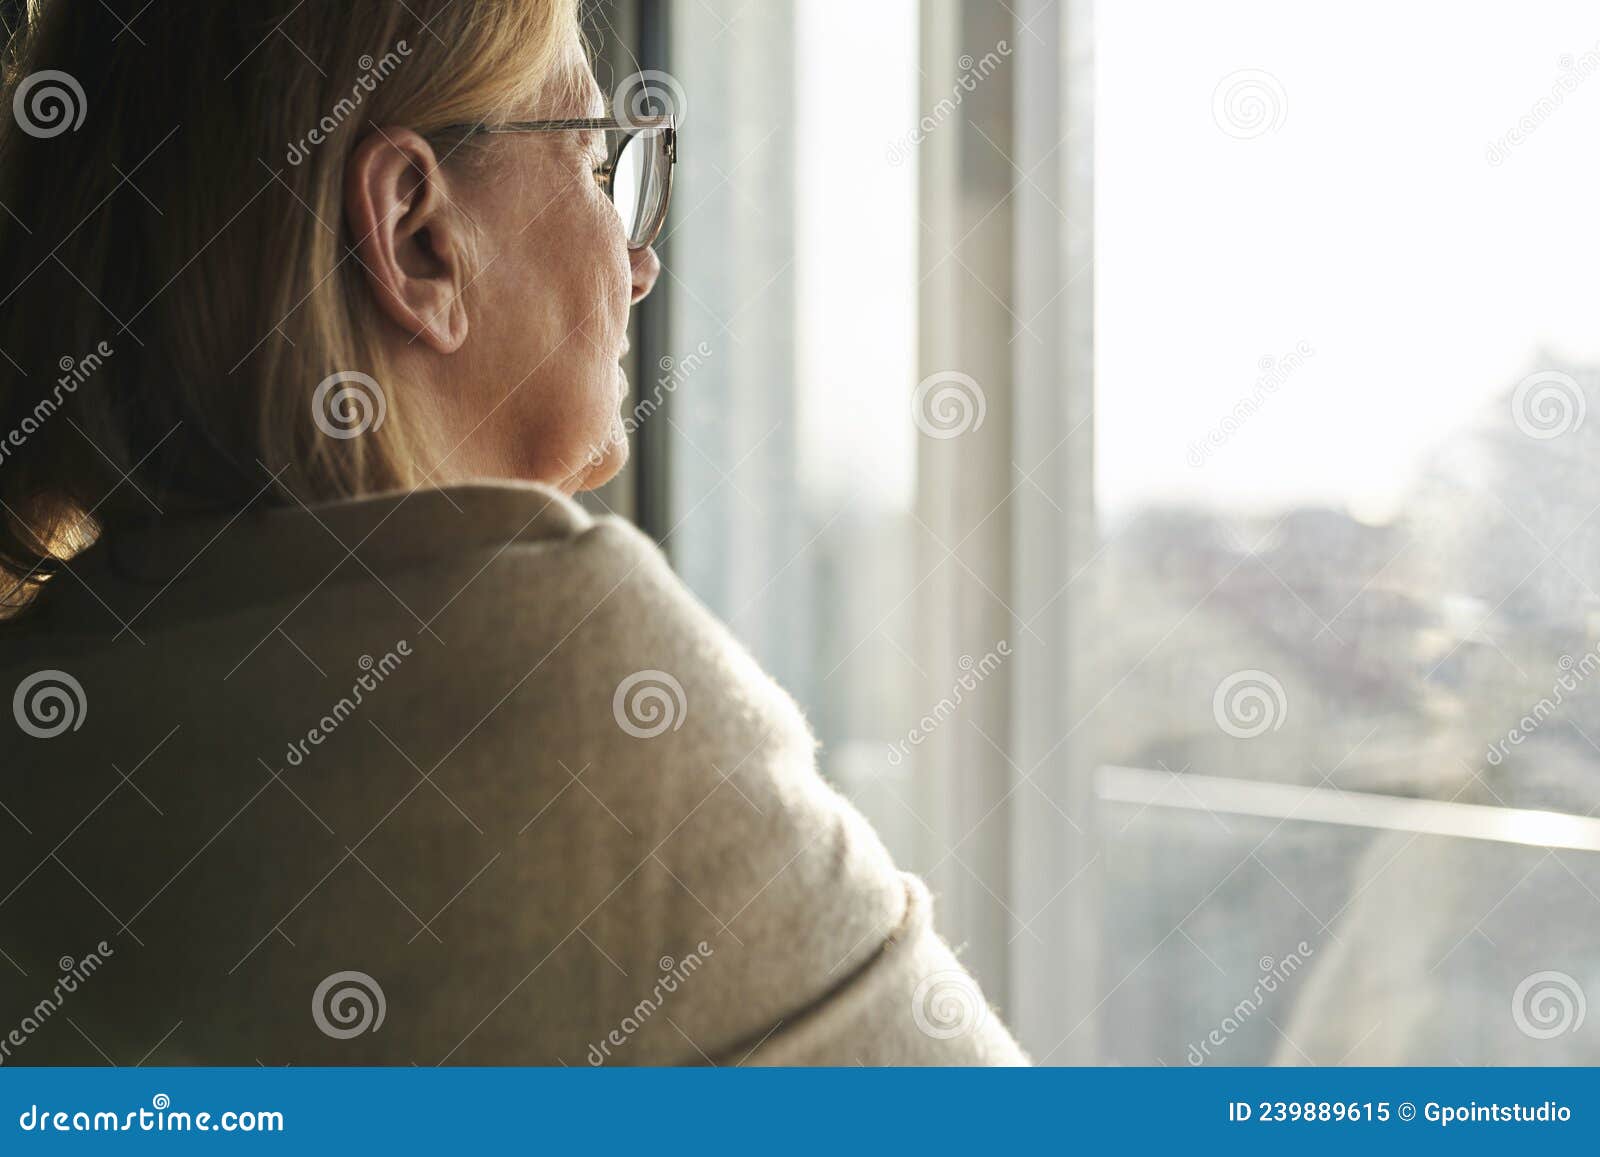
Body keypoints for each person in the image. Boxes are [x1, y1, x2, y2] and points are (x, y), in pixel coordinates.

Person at [0, 0, 1025, 1065]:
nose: (640, 265)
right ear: (418, 237)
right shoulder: (587, 678)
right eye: (595, 167)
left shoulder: (58, 701)